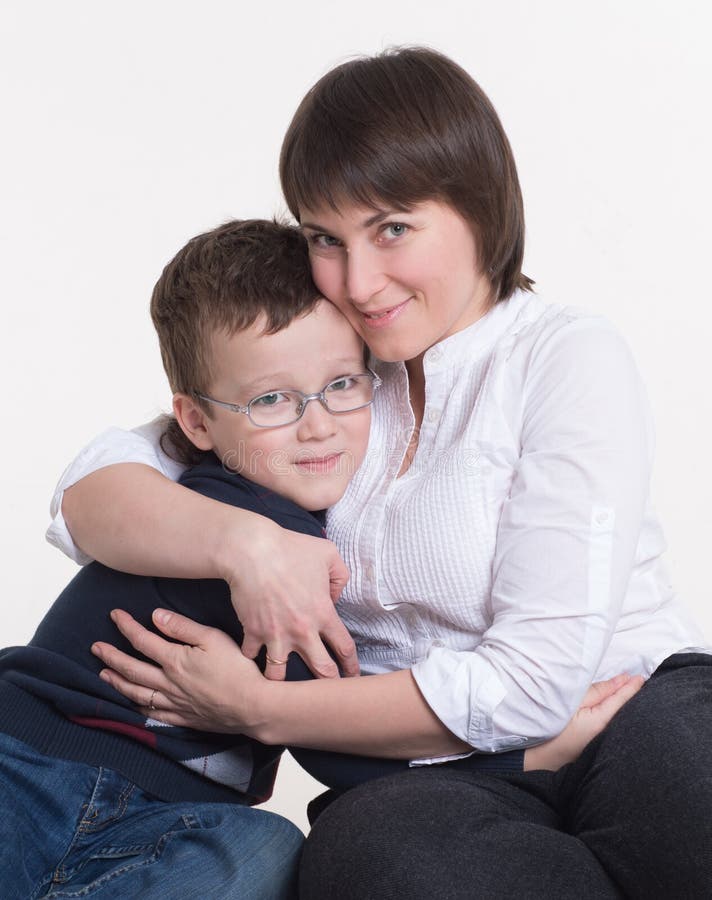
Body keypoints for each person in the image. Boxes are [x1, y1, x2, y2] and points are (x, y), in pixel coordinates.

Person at [49, 47, 710, 899]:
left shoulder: (563, 356)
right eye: (326, 238)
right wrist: (247, 545)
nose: (359, 282)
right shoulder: (332, 368)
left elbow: (536, 684)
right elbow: (92, 490)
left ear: (479, 209)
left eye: (392, 228)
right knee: (377, 864)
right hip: (422, 775)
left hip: (626, 711)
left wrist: (257, 710)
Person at [0, 217, 381, 899]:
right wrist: (519, 753)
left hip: (170, 822)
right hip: (27, 762)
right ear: (197, 423)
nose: (318, 423)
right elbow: (339, 744)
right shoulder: (241, 521)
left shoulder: (345, 516)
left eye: (344, 384)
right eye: (272, 400)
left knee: (267, 849)